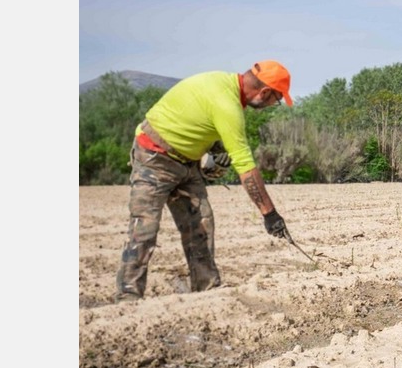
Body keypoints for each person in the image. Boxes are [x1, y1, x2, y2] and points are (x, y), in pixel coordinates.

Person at [115, 60, 296, 302]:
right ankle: (127, 298)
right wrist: (269, 214)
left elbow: (196, 120)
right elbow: (245, 166)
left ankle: (206, 294)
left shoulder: (224, 85)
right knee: (144, 228)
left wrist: (213, 149)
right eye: (277, 99)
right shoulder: (227, 104)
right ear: (264, 92)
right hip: (154, 158)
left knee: (201, 225)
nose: (275, 104)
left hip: (186, 164)